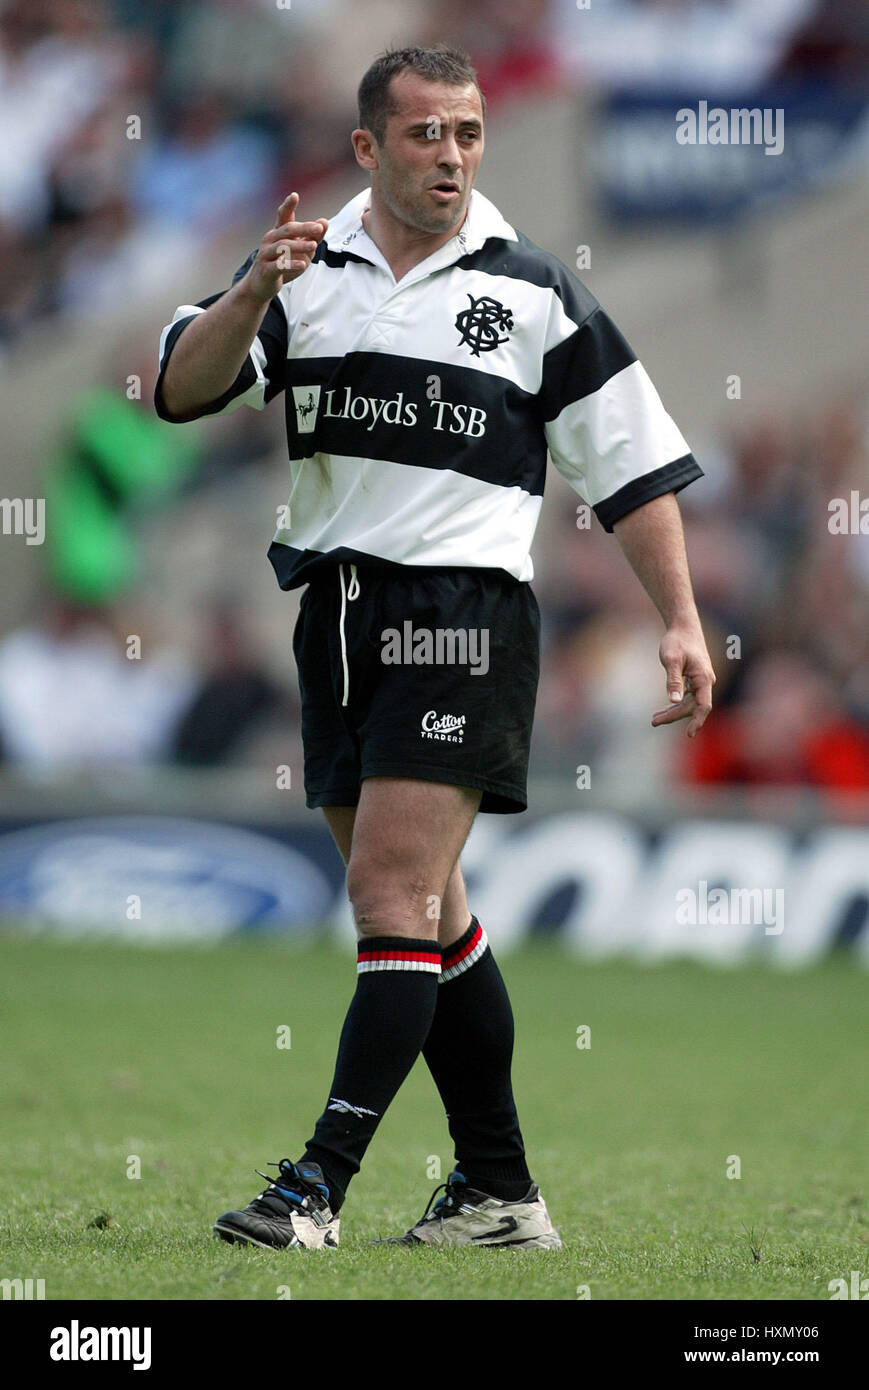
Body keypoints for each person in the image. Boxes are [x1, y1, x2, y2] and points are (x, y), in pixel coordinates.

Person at [154, 43, 715, 1251]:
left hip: (460, 616)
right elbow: (180, 391)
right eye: (424, 134)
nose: (451, 155)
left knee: (387, 894)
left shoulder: (531, 290)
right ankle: (499, 1193)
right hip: (337, 617)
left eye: (466, 132)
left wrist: (676, 615)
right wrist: (249, 291)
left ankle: (315, 1187)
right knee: (434, 914)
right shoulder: (303, 273)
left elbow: (627, 471)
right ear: (366, 148)